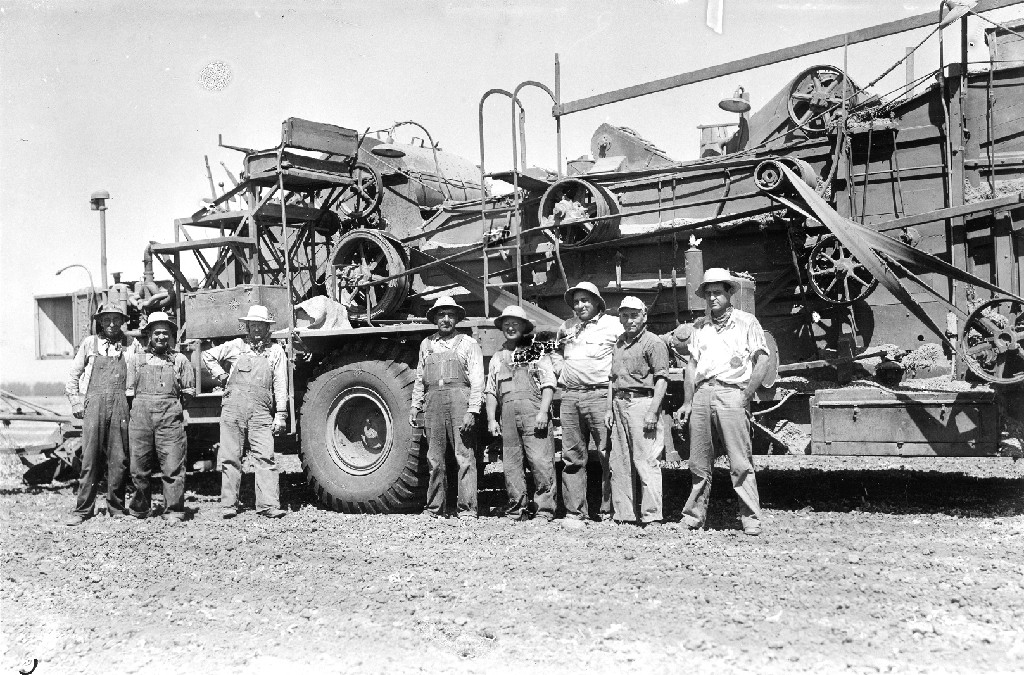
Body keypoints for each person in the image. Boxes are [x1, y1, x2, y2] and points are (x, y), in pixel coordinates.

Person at [675, 269, 770, 536]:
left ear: (729, 293)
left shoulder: (746, 322)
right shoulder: (700, 327)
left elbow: (763, 360)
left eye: (718, 292)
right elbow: (692, 367)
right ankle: (693, 516)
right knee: (698, 461)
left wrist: (746, 394)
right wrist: (687, 402)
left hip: (732, 393)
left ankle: (751, 518)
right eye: (708, 293)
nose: (713, 298)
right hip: (703, 393)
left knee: (740, 461)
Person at [202, 305, 289, 519]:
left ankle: (268, 505)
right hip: (233, 409)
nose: (257, 329)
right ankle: (229, 505)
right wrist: (221, 376)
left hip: (261, 411)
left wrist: (281, 414)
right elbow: (208, 355)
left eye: (261, 325)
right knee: (230, 457)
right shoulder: (236, 346)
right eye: (253, 325)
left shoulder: (276, 351)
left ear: (267, 327)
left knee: (265, 457)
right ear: (247, 326)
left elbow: (280, 384)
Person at [64, 303, 143, 525]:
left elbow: (140, 372)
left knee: (119, 459)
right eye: (106, 319)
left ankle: (116, 507)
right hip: (94, 403)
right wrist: (75, 402)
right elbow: (73, 375)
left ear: (123, 321)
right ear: (100, 321)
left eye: (116, 319)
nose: (111, 324)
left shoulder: (131, 344)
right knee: (90, 458)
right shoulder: (90, 343)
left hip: (121, 403)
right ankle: (83, 509)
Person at [553, 281, 623, 528]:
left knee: (608, 454)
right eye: (576, 301)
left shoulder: (613, 325)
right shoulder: (568, 327)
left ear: (597, 303)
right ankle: (575, 512)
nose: (580, 305)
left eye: (585, 300)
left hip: (600, 395)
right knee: (572, 455)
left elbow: (625, 351)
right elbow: (555, 352)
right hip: (570, 396)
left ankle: (610, 511)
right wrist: (561, 370)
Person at [409, 296, 485, 519]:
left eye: (450, 315)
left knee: (464, 456)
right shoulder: (427, 344)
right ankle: (434, 508)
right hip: (433, 400)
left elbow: (478, 380)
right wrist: (416, 405)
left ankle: (467, 509)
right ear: (434, 318)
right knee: (434, 457)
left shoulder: (468, 343)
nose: (446, 319)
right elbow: (420, 378)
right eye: (441, 314)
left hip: (459, 399)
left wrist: (473, 410)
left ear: (457, 319)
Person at [484, 306, 557, 522]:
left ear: (524, 327)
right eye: (506, 323)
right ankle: (517, 509)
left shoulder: (535, 351)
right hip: (507, 415)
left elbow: (548, 383)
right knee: (511, 464)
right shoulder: (497, 357)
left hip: (534, 413)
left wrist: (543, 412)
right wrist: (490, 419)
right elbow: (490, 391)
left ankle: (545, 510)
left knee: (541, 462)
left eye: (516, 323)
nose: (510, 327)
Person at [605, 296, 670, 527]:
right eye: (625, 315)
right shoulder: (619, 343)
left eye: (634, 315)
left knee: (646, 460)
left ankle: (652, 516)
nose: (629, 320)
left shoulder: (654, 343)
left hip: (642, 404)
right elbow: (612, 379)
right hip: (619, 404)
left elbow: (662, 379)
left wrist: (653, 411)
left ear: (644, 317)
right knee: (620, 461)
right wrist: (609, 409)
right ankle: (624, 514)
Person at [126, 312, 195, 522]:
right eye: (157, 333)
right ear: (149, 335)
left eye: (165, 333)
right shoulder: (137, 360)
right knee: (139, 468)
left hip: (170, 420)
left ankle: (173, 510)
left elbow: (188, 393)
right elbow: (130, 392)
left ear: (171, 335)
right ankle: (140, 509)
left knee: (172, 466)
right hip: (140, 419)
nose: (161, 337)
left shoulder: (180, 360)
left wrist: (171, 409)